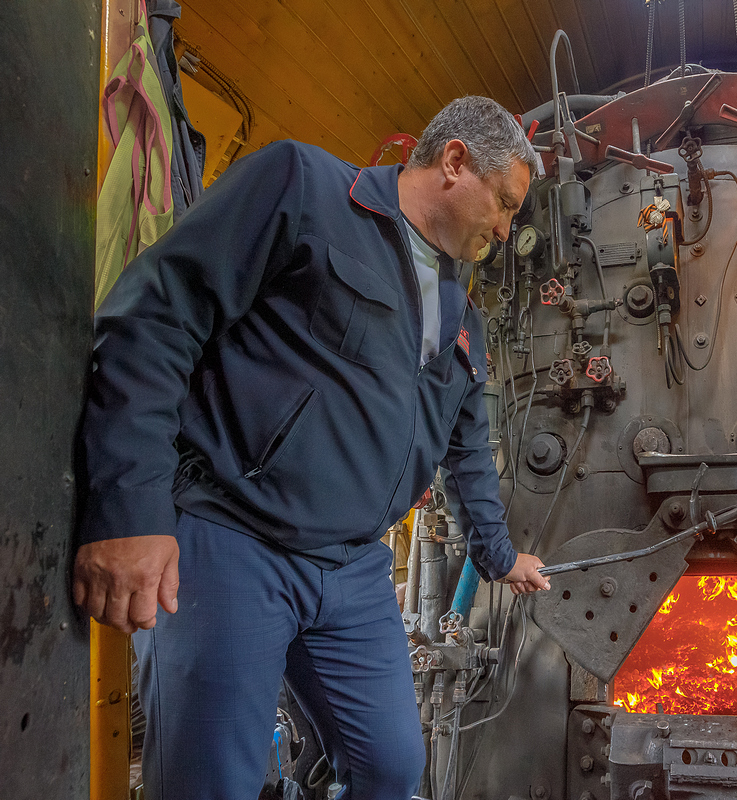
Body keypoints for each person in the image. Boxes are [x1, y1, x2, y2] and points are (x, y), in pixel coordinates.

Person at [73, 95, 550, 799]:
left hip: (355, 569)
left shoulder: (462, 317)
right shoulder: (306, 188)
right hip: (236, 539)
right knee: (209, 783)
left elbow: (468, 453)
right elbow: (154, 320)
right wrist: (132, 510)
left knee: (391, 767)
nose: (508, 231)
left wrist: (501, 558)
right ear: (455, 162)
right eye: (506, 204)